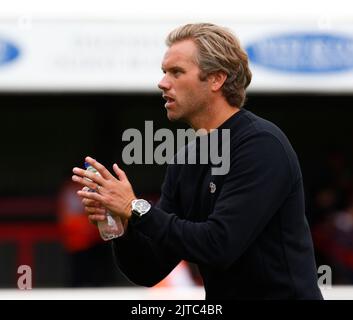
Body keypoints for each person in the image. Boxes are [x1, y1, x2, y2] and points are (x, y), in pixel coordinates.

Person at [72, 23, 323, 299]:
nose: (163, 82)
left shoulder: (262, 145)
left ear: (216, 79)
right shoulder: (187, 160)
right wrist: (122, 226)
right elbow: (148, 270)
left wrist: (135, 208)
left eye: (176, 72)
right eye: (164, 72)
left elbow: (219, 245)